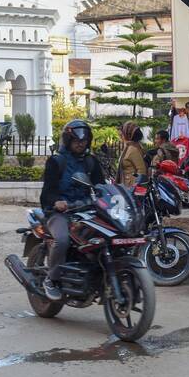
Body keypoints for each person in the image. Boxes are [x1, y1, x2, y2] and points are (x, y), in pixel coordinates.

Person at [38, 119, 105, 300]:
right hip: (61, 213)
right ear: (68, 141)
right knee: (61, 240)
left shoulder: (91, 162)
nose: (80, 144)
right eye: (76, 141)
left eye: (83, 141)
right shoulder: (56, 162)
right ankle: (51, 279)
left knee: (106, 236)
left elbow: (101, 186)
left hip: (86, 210)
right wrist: (58, 202)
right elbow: (47, 192)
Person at [116, 121, 147, 187]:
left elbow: (141, 170)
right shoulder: (129, 147)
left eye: (123, 133)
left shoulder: (133, 149)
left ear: (127, 134)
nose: (121, 135)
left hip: (131, 188)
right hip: (126, 185)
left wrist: (135, 186)